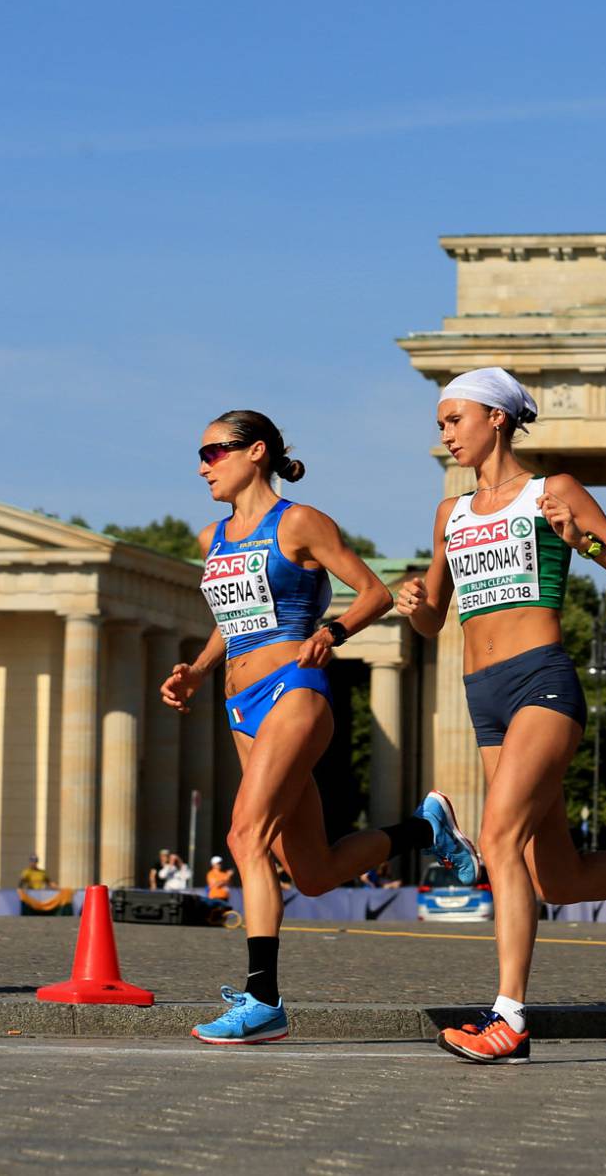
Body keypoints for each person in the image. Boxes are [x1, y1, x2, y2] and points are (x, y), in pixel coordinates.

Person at [396, 371, 606, 1065]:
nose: (445, 433)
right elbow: (434, 619)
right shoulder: (448, 513)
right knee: (559, 877)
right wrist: (415, 606)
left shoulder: (553, 492)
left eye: (454, 419)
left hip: (541, 684)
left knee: (498, 834)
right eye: (440, 423)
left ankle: (510, 1019)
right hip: (481, 694)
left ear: (495, 417)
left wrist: (586, 541)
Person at [162, 410, 470, 1047]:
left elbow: (374, 592)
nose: (202, 466)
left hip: (294, 694)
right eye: (200, 456)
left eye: (214, 453)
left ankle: (262, 998)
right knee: (314, 872)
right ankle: (424, 827)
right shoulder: (210, 538)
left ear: (255, 452)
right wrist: (195, 670)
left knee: (244, 833)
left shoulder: (298, 522)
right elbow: (232, 617)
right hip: (239, 706)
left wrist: (331, 632)